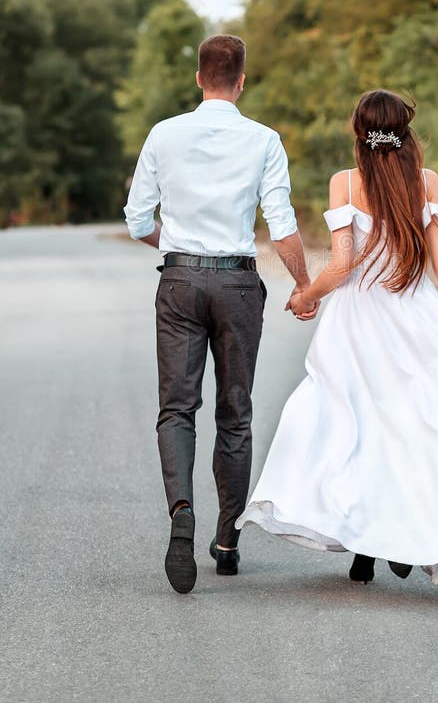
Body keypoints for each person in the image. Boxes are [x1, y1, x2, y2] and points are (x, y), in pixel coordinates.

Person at [236, 88, 438, 586]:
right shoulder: (427, 182)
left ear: (360, 133)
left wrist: (304, 295)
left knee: (353, 428)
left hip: (358, 322)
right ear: (406, 131)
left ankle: (367, 544)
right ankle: (403, 538)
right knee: (416, 429)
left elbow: (342, 265)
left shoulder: (346, 183)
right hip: (416, 318)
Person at [124, 34, 317, 594]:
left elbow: (138, 221)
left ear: (198, 78)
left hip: (180, 280)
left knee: (177, 409)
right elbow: (280, 224)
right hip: (236, 283)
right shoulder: (263, 140)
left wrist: (175, 248)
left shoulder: (164, 134)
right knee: (235, 413)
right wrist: (305, 285)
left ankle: (180, 511)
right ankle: (227, 540)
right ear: (242, 80)